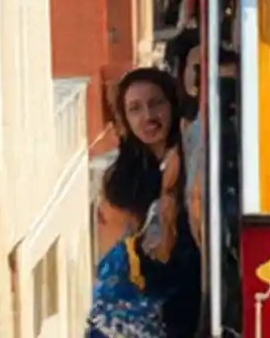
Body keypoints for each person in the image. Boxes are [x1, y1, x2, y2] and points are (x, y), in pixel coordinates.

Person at [87, 68, 202, 338]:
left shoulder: (196, 158)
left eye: (156, 103)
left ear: (171, 104)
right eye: (135, 109)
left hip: (193, 295)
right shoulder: (120, 180)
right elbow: (116, 259)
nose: (148, 117)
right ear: (125, 119)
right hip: (144, 307)